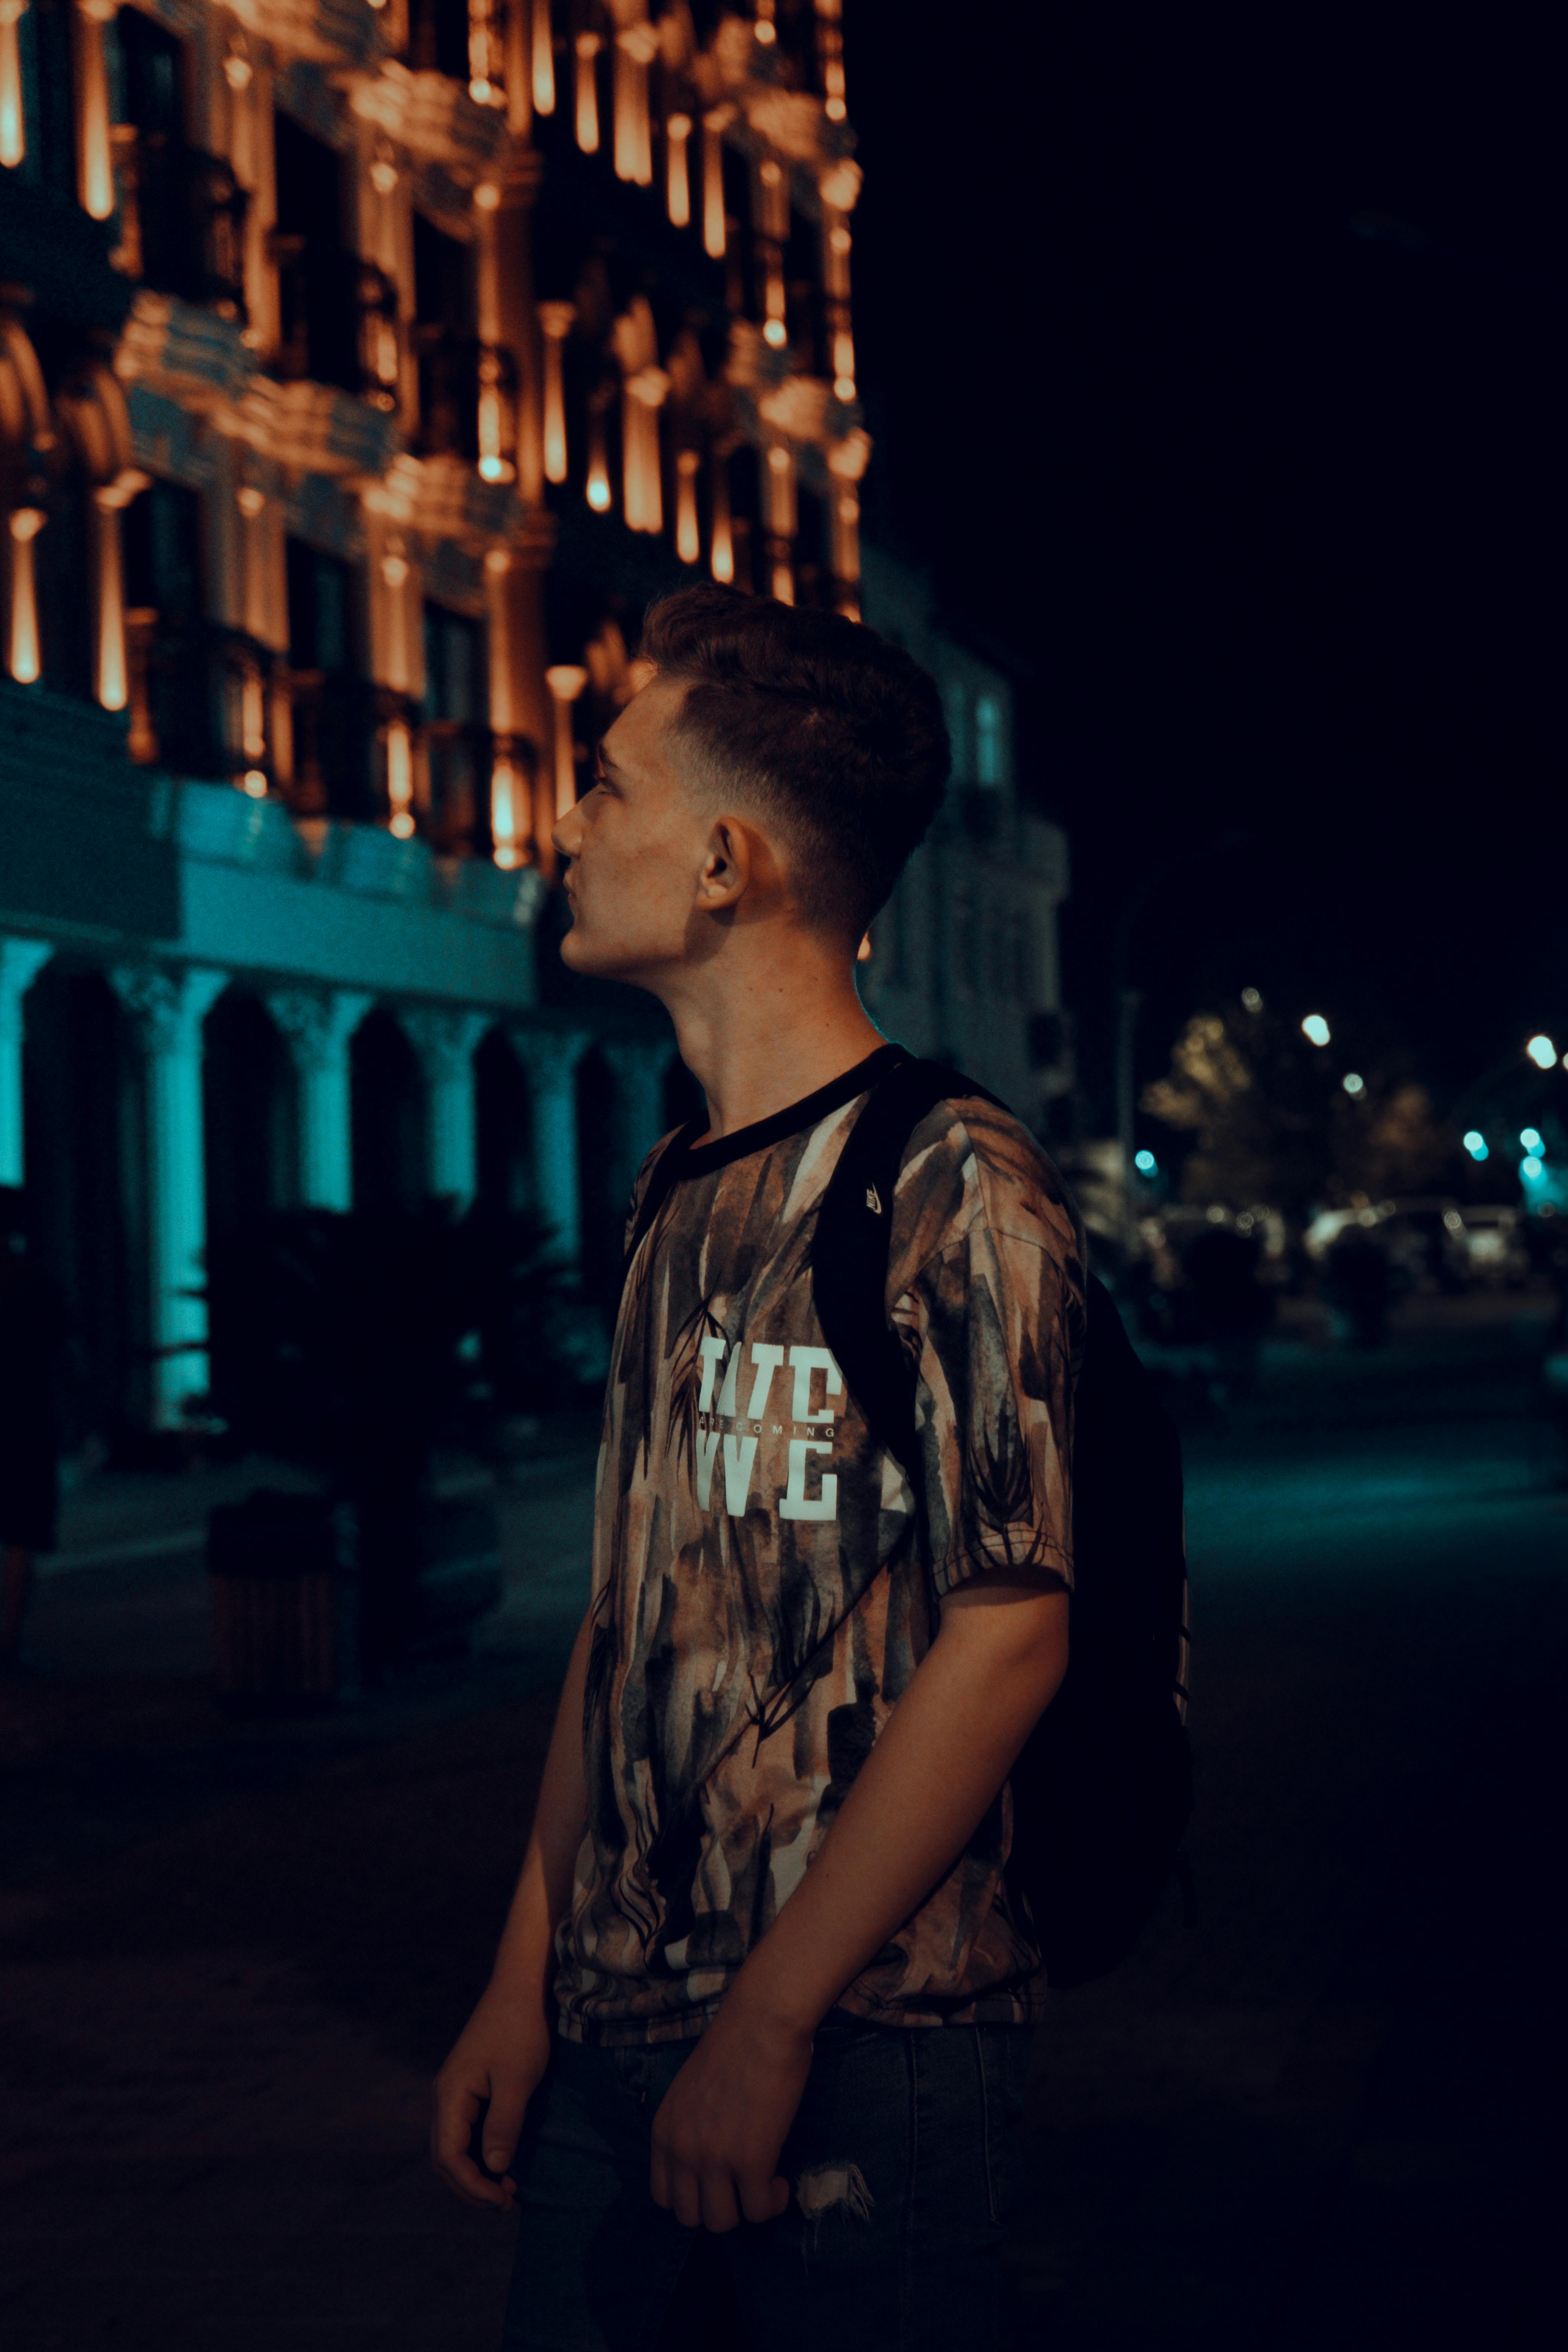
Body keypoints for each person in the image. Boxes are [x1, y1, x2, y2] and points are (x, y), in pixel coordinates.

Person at [431, 587, 1085, 2350]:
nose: (568, 823)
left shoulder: (952, 1180)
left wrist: (771, 2020)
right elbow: (626, 1622)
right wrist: (521, 1979)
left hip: (868, 2037)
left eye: (606, 782)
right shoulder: (672, 1189)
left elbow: (1012, 1627)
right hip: (610, 2036)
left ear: (725, 861)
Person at [0, 1189, 63, 1669]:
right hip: (26, 1422)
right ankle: (8, 1643)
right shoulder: (35, 1280)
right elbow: (66, 1353)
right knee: (22, 1536)